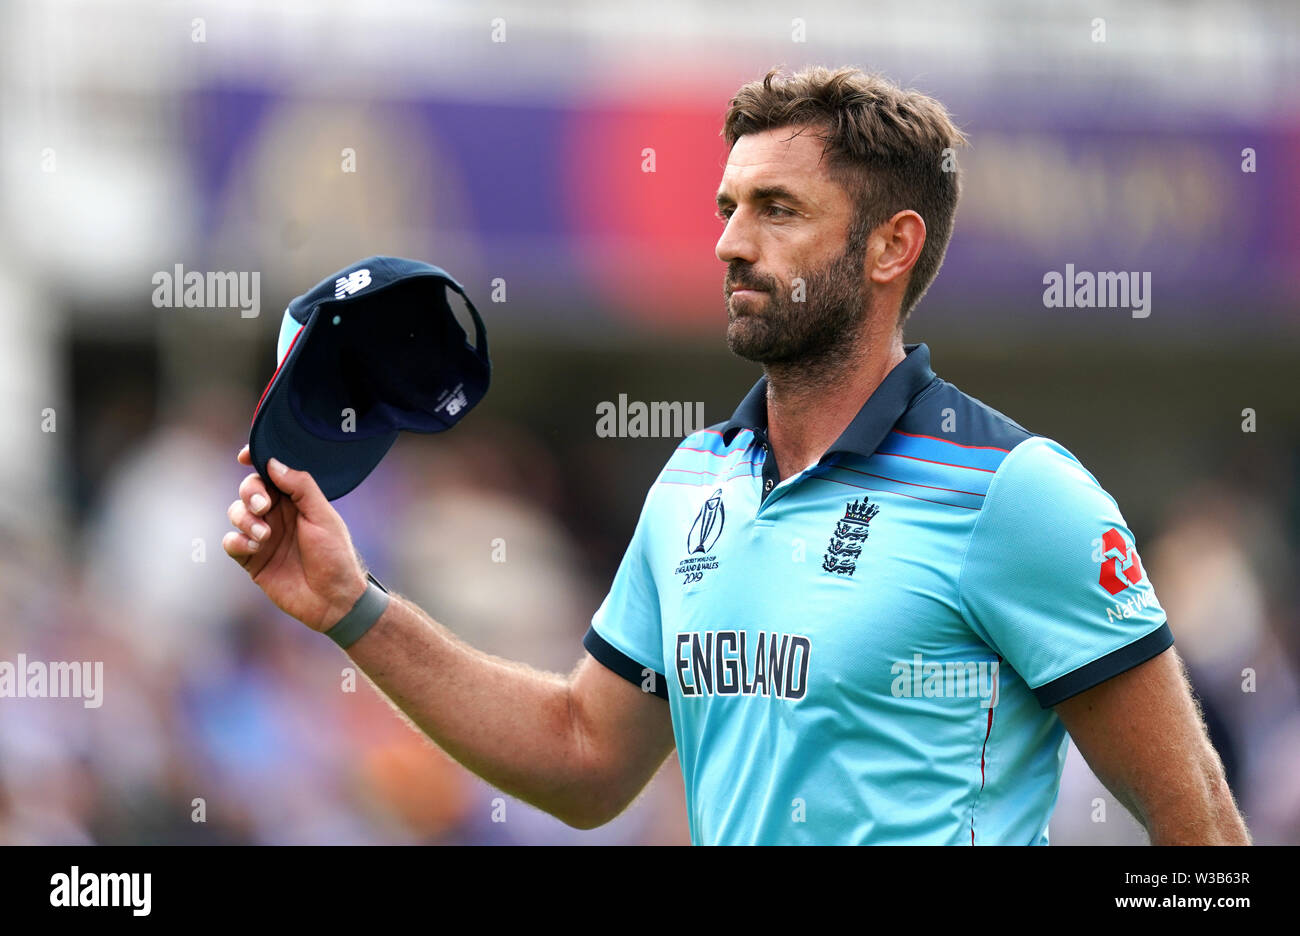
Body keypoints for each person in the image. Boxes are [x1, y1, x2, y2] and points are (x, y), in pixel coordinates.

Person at [224, 65, 1250, 845]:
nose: (729, 243)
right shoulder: (692, 485)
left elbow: (1197, 825)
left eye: (776, 210)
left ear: (891, 247)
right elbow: (584, 759)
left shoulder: (1015, 494)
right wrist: (354, 608)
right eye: (727, 207)